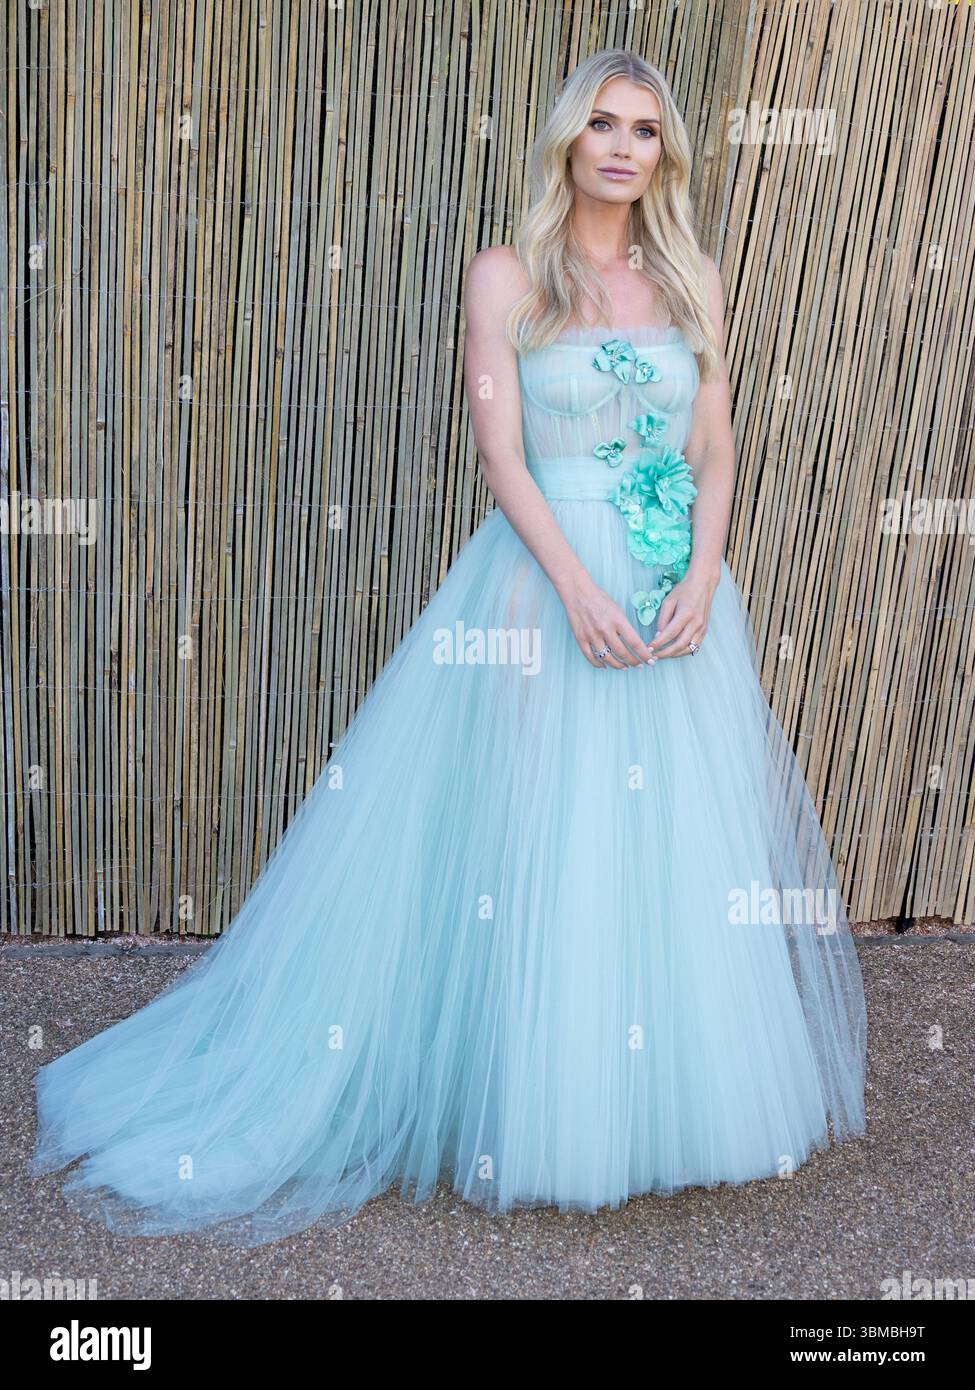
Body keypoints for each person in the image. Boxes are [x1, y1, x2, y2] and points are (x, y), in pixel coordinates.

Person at [28, 48, 867, 1248]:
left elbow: (718, 441)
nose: (623, 147)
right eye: (602, 125)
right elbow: (503, 460)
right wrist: (574, 585)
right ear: (569, 141)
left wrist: (701, 570)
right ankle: (528, 1101)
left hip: (677, 585)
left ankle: (655, 1106)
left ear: (665, 153)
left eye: (645, 129)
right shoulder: (506, 274)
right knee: (537, 839)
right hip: (543, 585)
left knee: (670, 842)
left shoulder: (691, 277)